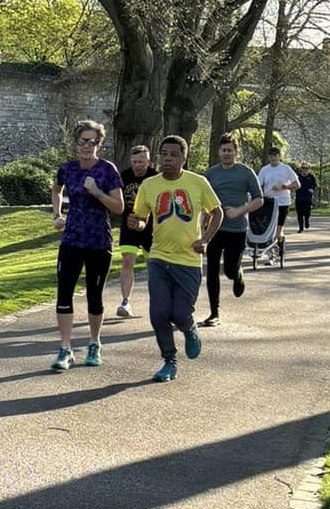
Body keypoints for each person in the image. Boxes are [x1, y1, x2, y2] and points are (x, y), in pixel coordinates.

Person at [128, 136, 222, 382]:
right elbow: (141, 218)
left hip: (189, 261)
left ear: (184, 158)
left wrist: (206, 240)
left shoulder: (198, 182)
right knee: (158, 313)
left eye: (173, 155)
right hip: (158, 257)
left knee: (180, 314)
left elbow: (217, 211)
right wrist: (136, 224)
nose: (167, 159)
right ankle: (169, 360)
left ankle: (189, 330)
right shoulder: (149, 185)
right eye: (164, 154)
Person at [50, 121, 124, 369]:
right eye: (82, 141)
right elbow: (56, 189)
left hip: (98, 242)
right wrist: (57, 214)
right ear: (76, 142)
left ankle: (94, 344)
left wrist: (98, 193)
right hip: (71, 240)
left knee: (94, 296)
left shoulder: (107, 170)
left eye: (91, 142)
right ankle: (65, 349)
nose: (86, 147)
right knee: (64, 293)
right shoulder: (68, 169)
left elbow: (119, 207)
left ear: (99, 144)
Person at [203, 134, 263, 323]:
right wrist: (203, 224)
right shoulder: (210, 173)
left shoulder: (246, 172)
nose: (227, 153)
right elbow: (202, 201)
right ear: (219, 152)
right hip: (215, 229)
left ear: (236, 152)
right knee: (211, 270)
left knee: (229, 270)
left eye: (230, 150)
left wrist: (240, 210)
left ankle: (237, 275)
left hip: (237, 229)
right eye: (223, 150)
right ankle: (214, 313)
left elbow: (259, 199)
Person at [116, 143, 155, 316]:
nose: (137, 165)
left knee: (154, 267)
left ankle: (158, 302)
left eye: (141, 161)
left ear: (148, 161)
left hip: (152, 228)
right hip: (129, 225)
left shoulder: (156, 178)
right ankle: (125, 303)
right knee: (127, 261)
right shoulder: (123, 177)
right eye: (134, 162)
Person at [258, 148, 300, 252]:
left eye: (275, 155)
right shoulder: (264, 170)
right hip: (268, 203)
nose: (273, 158)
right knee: (268, 228)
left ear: (279, 156)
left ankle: (279, 243)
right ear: (268, 157)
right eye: (271, 155)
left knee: (278, 229)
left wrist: (284, 186)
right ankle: (271, 252)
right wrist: (262, 195)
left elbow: (297, 185)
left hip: (283, 203)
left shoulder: (286, 168)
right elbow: (258, 186)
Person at [295, 165, 316, 232]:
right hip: (299, 197)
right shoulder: (297, 176)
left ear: (309, 169)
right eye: (303, 168)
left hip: (307, 198)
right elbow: (293, 183)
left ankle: (307, 220)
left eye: (306, 168)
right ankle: (301, 228)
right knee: (299, 213)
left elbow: (314, 184)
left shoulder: (311, 177)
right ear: (301, 169)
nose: (305, 169)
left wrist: (312, 189)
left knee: (307, 213)